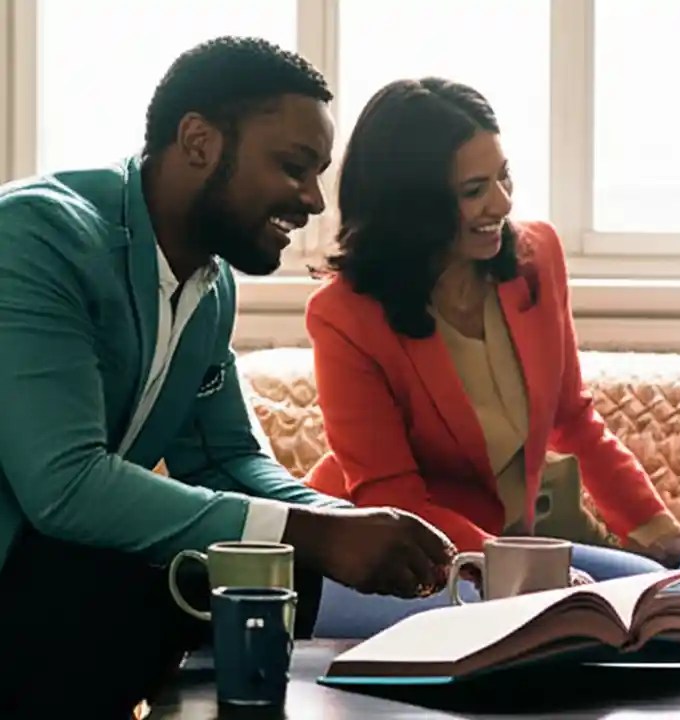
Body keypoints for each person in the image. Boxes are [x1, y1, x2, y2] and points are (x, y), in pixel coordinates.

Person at [0, 37, 459, 717]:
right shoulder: (37, 237)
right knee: (142, 587)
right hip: (25, 581)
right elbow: (63, 485)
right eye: (293, 167)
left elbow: (227, 459)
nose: (310, 201)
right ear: (198, 141)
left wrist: (346, 523)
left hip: (52, 593)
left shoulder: (208, 286)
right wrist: (317, 536)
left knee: (264, 583)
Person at [303, 77, 680, 607]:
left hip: (504, 548)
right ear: (413, 205)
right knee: (569, 622)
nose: (501, 203)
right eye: (473, 190)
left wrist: (659, 531)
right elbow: (392, 496)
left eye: (504, 177)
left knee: (665, 596)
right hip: (393, 559)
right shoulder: (344, 314)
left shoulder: (537, 257)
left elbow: (571, 417)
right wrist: (520, 572)